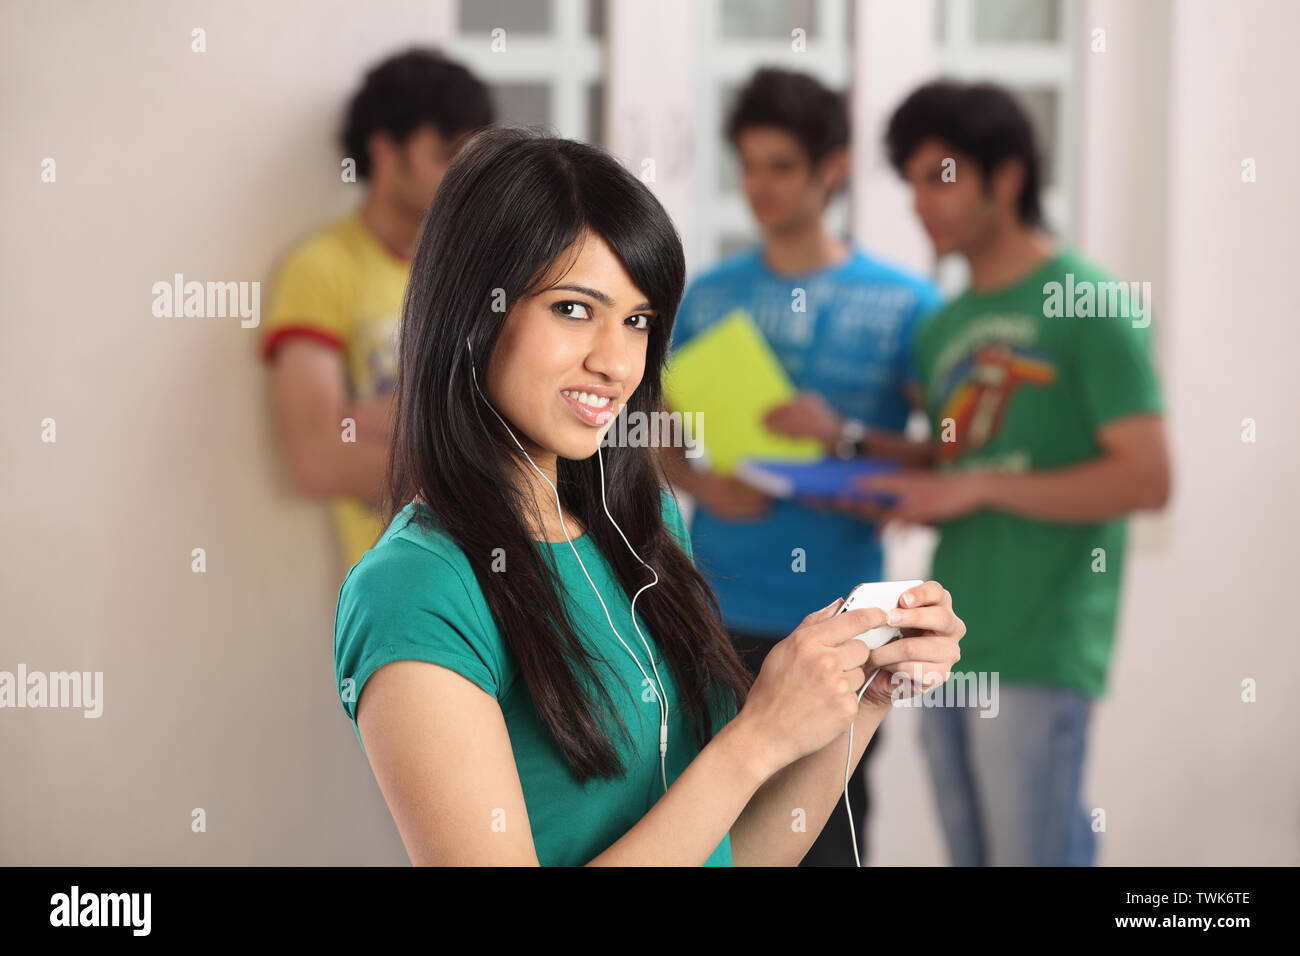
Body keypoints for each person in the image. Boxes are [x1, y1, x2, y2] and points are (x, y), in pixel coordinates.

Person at [332, 126, 966, 866]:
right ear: (476, 309)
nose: (615, 362)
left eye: (637, 321)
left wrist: (865, 690)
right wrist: (756, 737)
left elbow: (742, 857)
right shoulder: (416, 587)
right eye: (573, 309)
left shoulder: (639, 520)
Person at [837, 79, 1170, 866]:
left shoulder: (1088, 303)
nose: (923, 202)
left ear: (1008, 175)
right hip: (945, 643)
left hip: (1041, 649)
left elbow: (1147, 479)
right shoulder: (945, 325)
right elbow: (957, 459)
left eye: (940, 176)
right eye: (912, 181)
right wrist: (854, 447)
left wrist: (976, 486)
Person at [657, 67, 943, 866]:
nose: (759, 186)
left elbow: (945, 455)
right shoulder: (705, 297)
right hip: (712, 609)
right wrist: (702, 481)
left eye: (781, 165)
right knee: (712, 832)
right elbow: (647, 423)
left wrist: (847, 435)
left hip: (846, 619)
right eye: (748, 165)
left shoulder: (906, 303)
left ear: (834, 168)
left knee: (826, 841)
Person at [262, 48, 494, 573]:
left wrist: (383, 421)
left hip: (504, 579)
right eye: (447, 153)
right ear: (387, 152)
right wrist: (472, 453)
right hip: (399, 587)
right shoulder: (320, 268)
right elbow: (318, 459)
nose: (464, 176)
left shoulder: (485, 271)